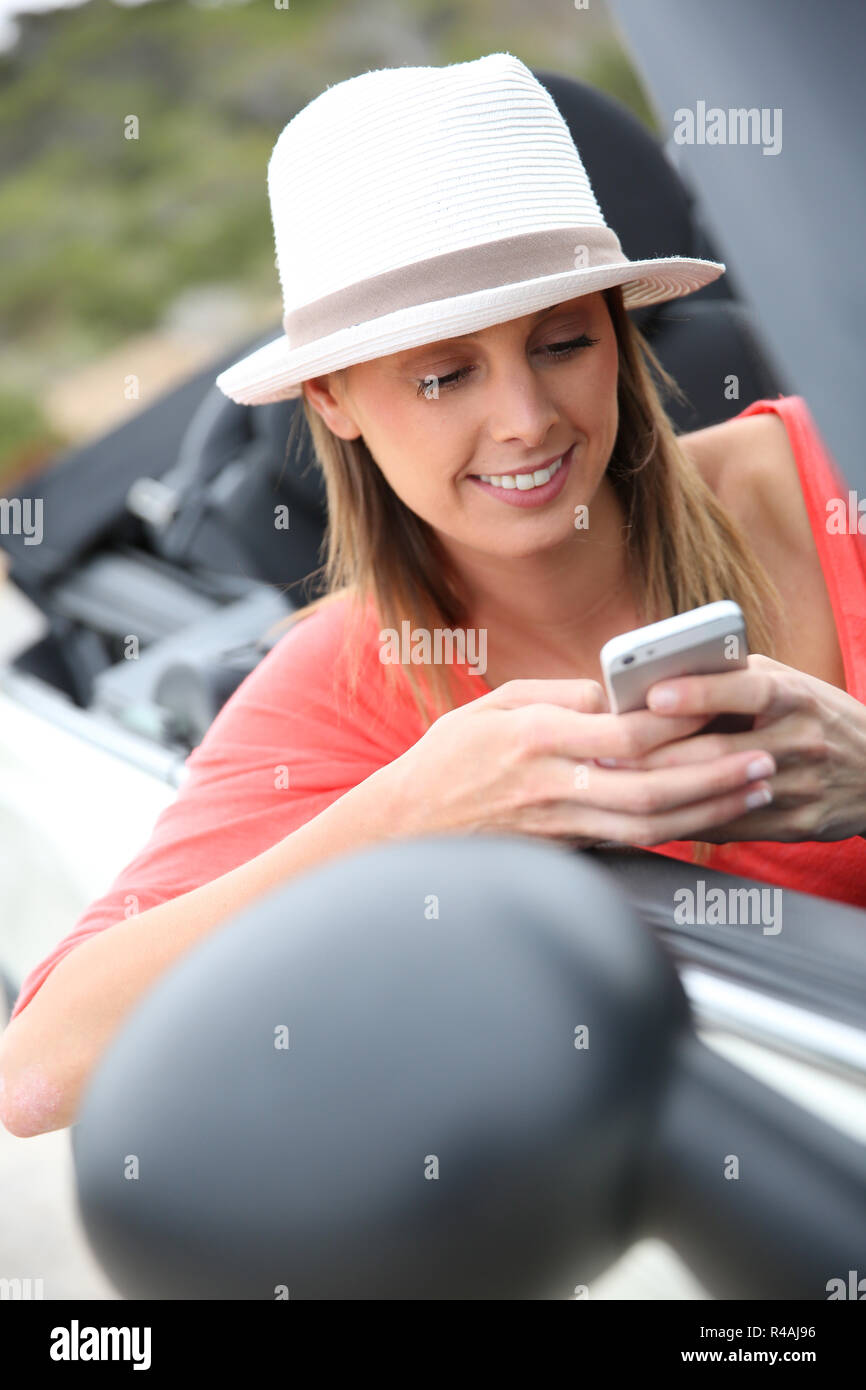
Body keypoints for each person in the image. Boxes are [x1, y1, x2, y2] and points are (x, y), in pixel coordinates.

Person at [3, 53, 865, 1139]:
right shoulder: (345, 682)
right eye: (443, 375)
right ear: (332, 397)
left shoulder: (836, 475)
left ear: (617, 326)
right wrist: (425, 807)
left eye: (561, 343)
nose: (525, 420)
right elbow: (37, 1078)